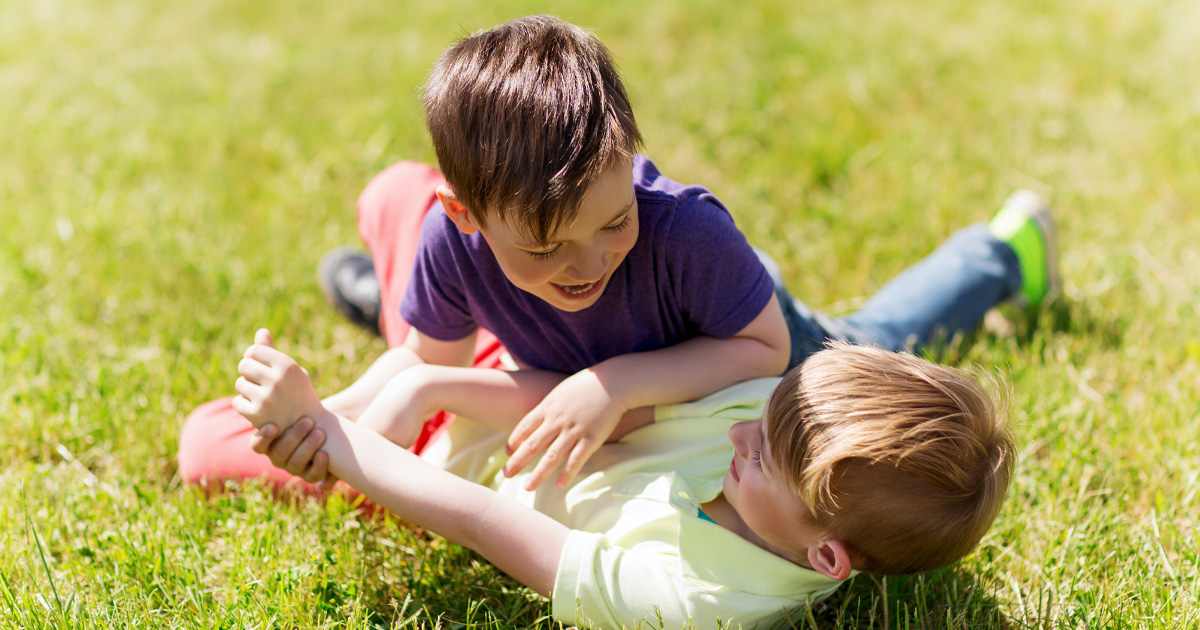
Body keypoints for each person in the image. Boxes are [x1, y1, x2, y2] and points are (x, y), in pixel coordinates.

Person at [177, 14, 1059, 496]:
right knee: (422, 327)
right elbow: (429, 365)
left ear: (627, 167)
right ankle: (380, 285)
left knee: (871, 341)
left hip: (740, 335)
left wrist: (617, 383)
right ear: (466, 216)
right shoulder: (454, 241)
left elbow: (766, 353)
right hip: (572, 355)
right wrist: (324, 426)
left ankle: (1002, 251)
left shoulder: (683, 232)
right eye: (547, 245)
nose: (588, 260)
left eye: (610, 221)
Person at [233, 330, 1015, 630]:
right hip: (500, 370)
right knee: (410, 194)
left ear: (827, 560)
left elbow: (474, 517)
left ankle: (397, 311)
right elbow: (598, 410)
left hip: (423, 464)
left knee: (214, 447)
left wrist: (332, 436)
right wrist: (432, 382)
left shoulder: (692, 602)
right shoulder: (780, 447)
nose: (740, 428)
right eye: (765, 414)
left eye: (760, 456)